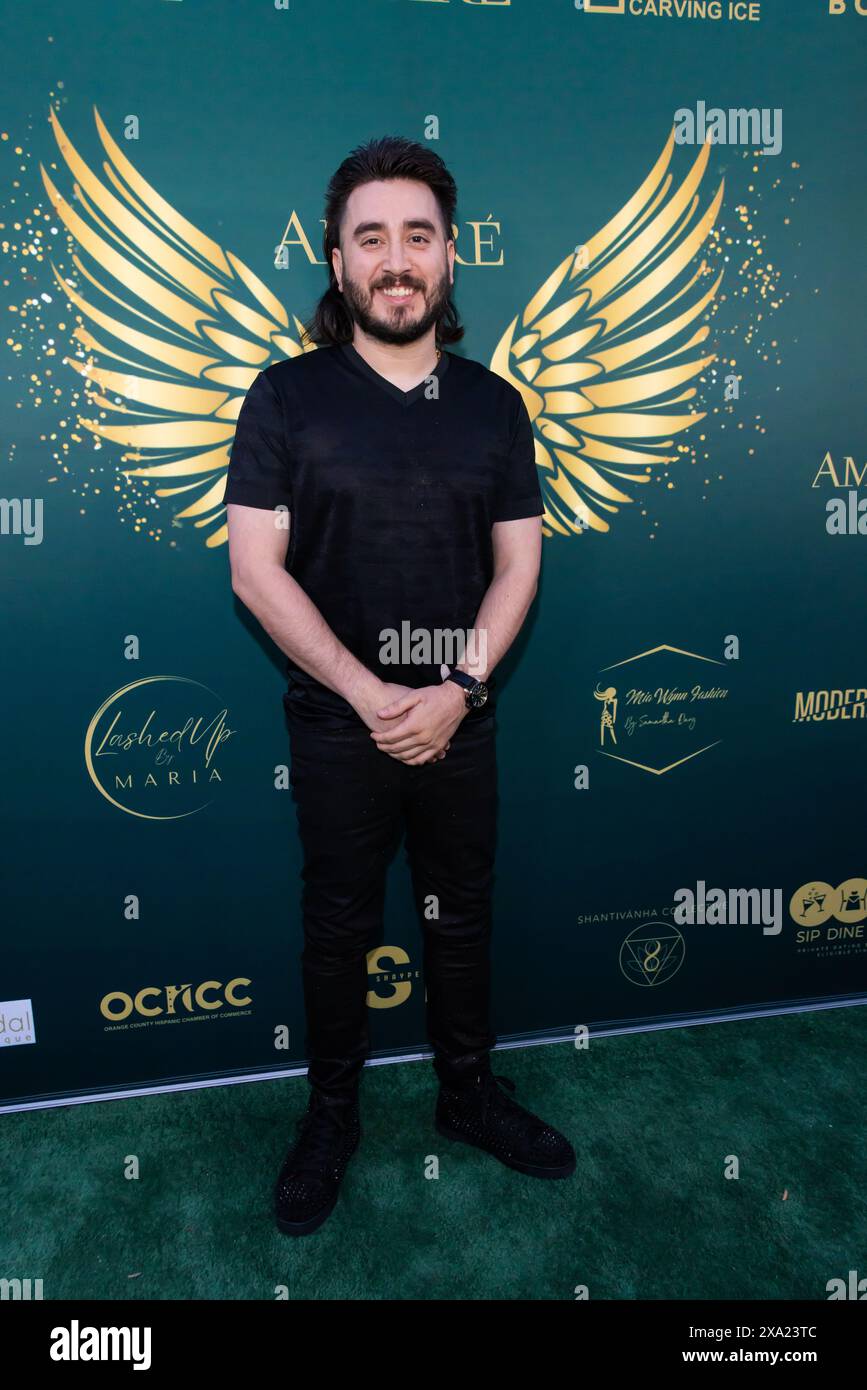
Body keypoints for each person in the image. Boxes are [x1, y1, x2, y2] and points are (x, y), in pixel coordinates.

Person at [223, 135, 576, 1237]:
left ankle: (468, 1095)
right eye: (369, 237)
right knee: (338, 928)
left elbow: (519, 563)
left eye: (416, 235)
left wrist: (454, 691)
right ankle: (332, 1117)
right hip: (337, 726)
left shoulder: (494, 405)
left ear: (451, 257)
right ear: (336, 262)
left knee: (460, 917)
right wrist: (369, 693)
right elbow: (253, 567)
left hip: (461, 722)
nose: (395, 257)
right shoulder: (283, 400)